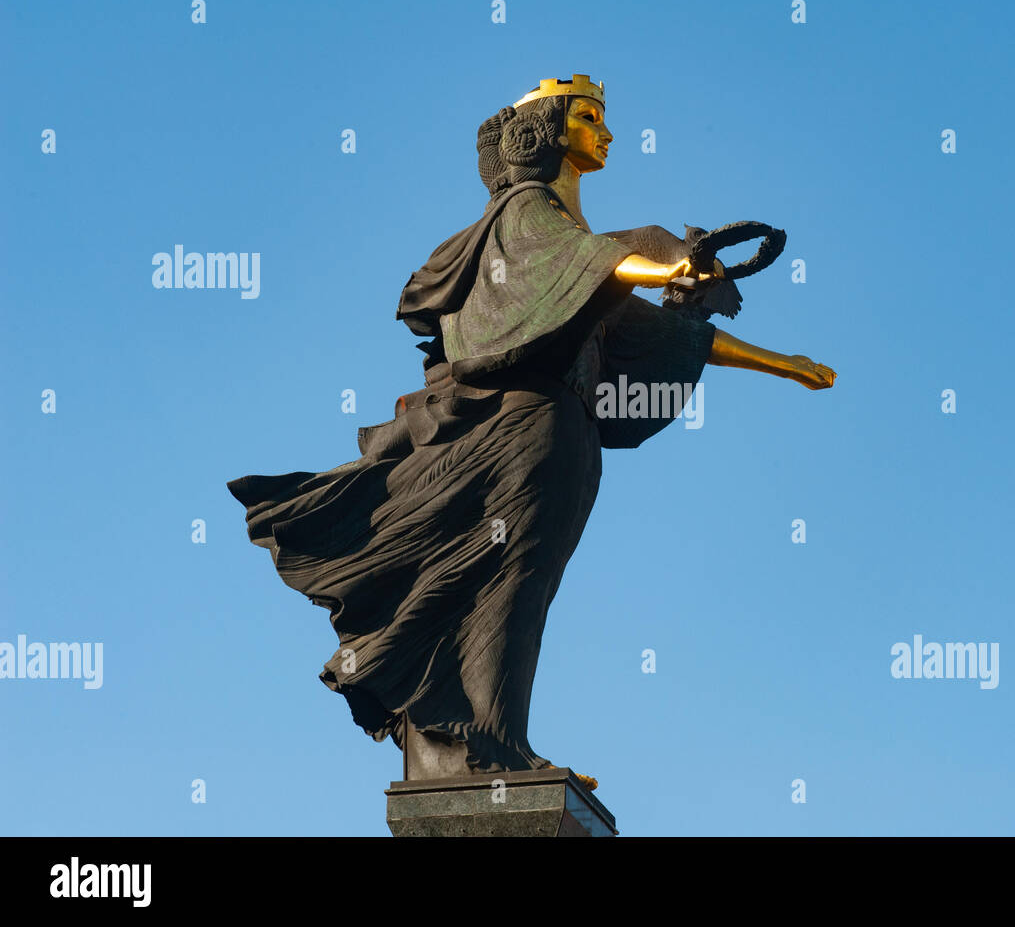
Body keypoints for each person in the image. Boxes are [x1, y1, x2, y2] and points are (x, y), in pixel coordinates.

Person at [227, 75, 835, 789]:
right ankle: (489, 743)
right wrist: (665, 260)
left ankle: (490, 735)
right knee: (509, 579)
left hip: (566, 436)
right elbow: (601, 263)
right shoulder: (526, 214)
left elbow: (650, 322)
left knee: (522, 583)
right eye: (589, 117)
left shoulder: (578, 251)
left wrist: (780, 362)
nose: (606, 132)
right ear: (541, 132)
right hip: (525, 429)